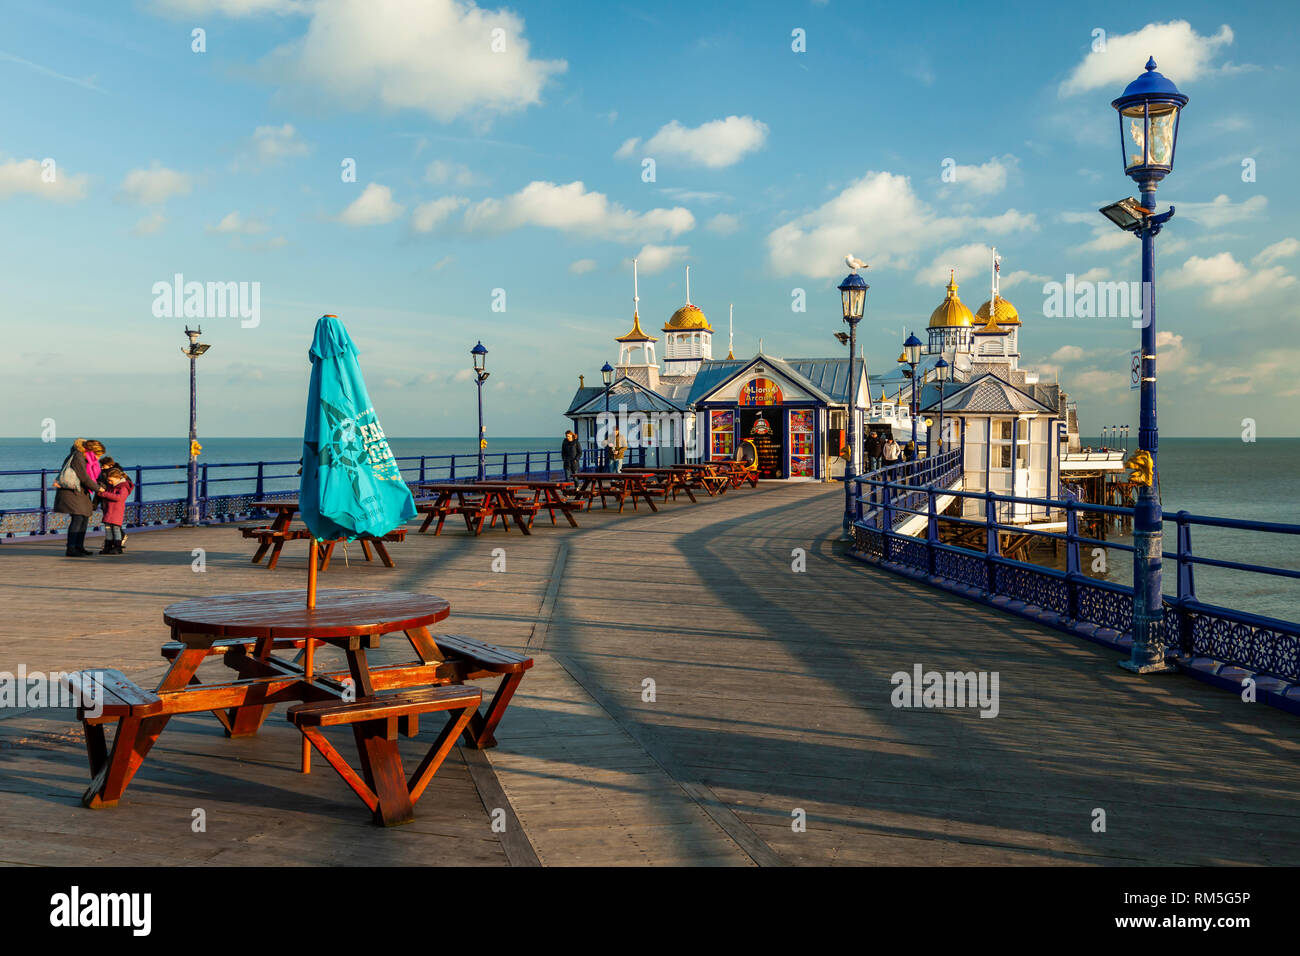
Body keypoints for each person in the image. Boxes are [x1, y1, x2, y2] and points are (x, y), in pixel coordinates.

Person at [53, 439, 105, 557]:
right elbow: (84, 477)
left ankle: (79, 546)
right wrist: (98, 488)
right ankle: (71, 548)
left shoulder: (86, 458)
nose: (97, 458)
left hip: (81, 491)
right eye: (97, 455)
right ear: (91, 451)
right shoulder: (78, 457)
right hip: (72, 492)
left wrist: (98, 484)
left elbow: (90, 476)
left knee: (84, 518)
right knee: (78, 518)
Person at [95, 467, 134, 554]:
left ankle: (118, 547)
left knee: (116, 529)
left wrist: (104, 494)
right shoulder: (111, 486)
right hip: (109, 511)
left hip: (116, 512)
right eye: (108, 481)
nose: (109, 482)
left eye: (110, 480)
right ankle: (108, 546)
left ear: (117, 478)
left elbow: (119, 498)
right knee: (108, 529)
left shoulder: (123, 487)